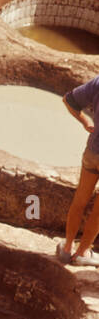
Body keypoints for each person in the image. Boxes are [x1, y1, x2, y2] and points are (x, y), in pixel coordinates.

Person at [60, 73, 99, 265]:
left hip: (93, 153)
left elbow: (68, 100)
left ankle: (67, 248)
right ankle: (82, 253)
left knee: (80, 200)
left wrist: (85, 121)